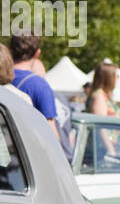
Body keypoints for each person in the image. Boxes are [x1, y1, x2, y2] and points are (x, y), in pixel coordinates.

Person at [10, 30, 73, 158]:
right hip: (27, 159)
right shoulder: (40, 86)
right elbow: (51, 133)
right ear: (37, 53)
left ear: (10, 49)